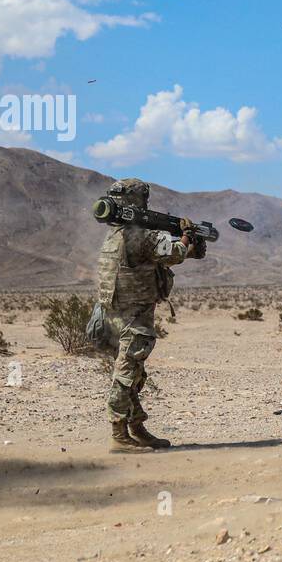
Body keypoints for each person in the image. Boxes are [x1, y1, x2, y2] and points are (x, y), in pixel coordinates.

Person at [95, 178, 199, 453]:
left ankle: (136, 428)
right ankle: (119, 434)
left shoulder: (115, 235)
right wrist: (187, 235)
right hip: (135, 315)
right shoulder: (140, 235)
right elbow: (176, 252)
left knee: (134, 373)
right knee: (127, 374)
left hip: (115, 314)